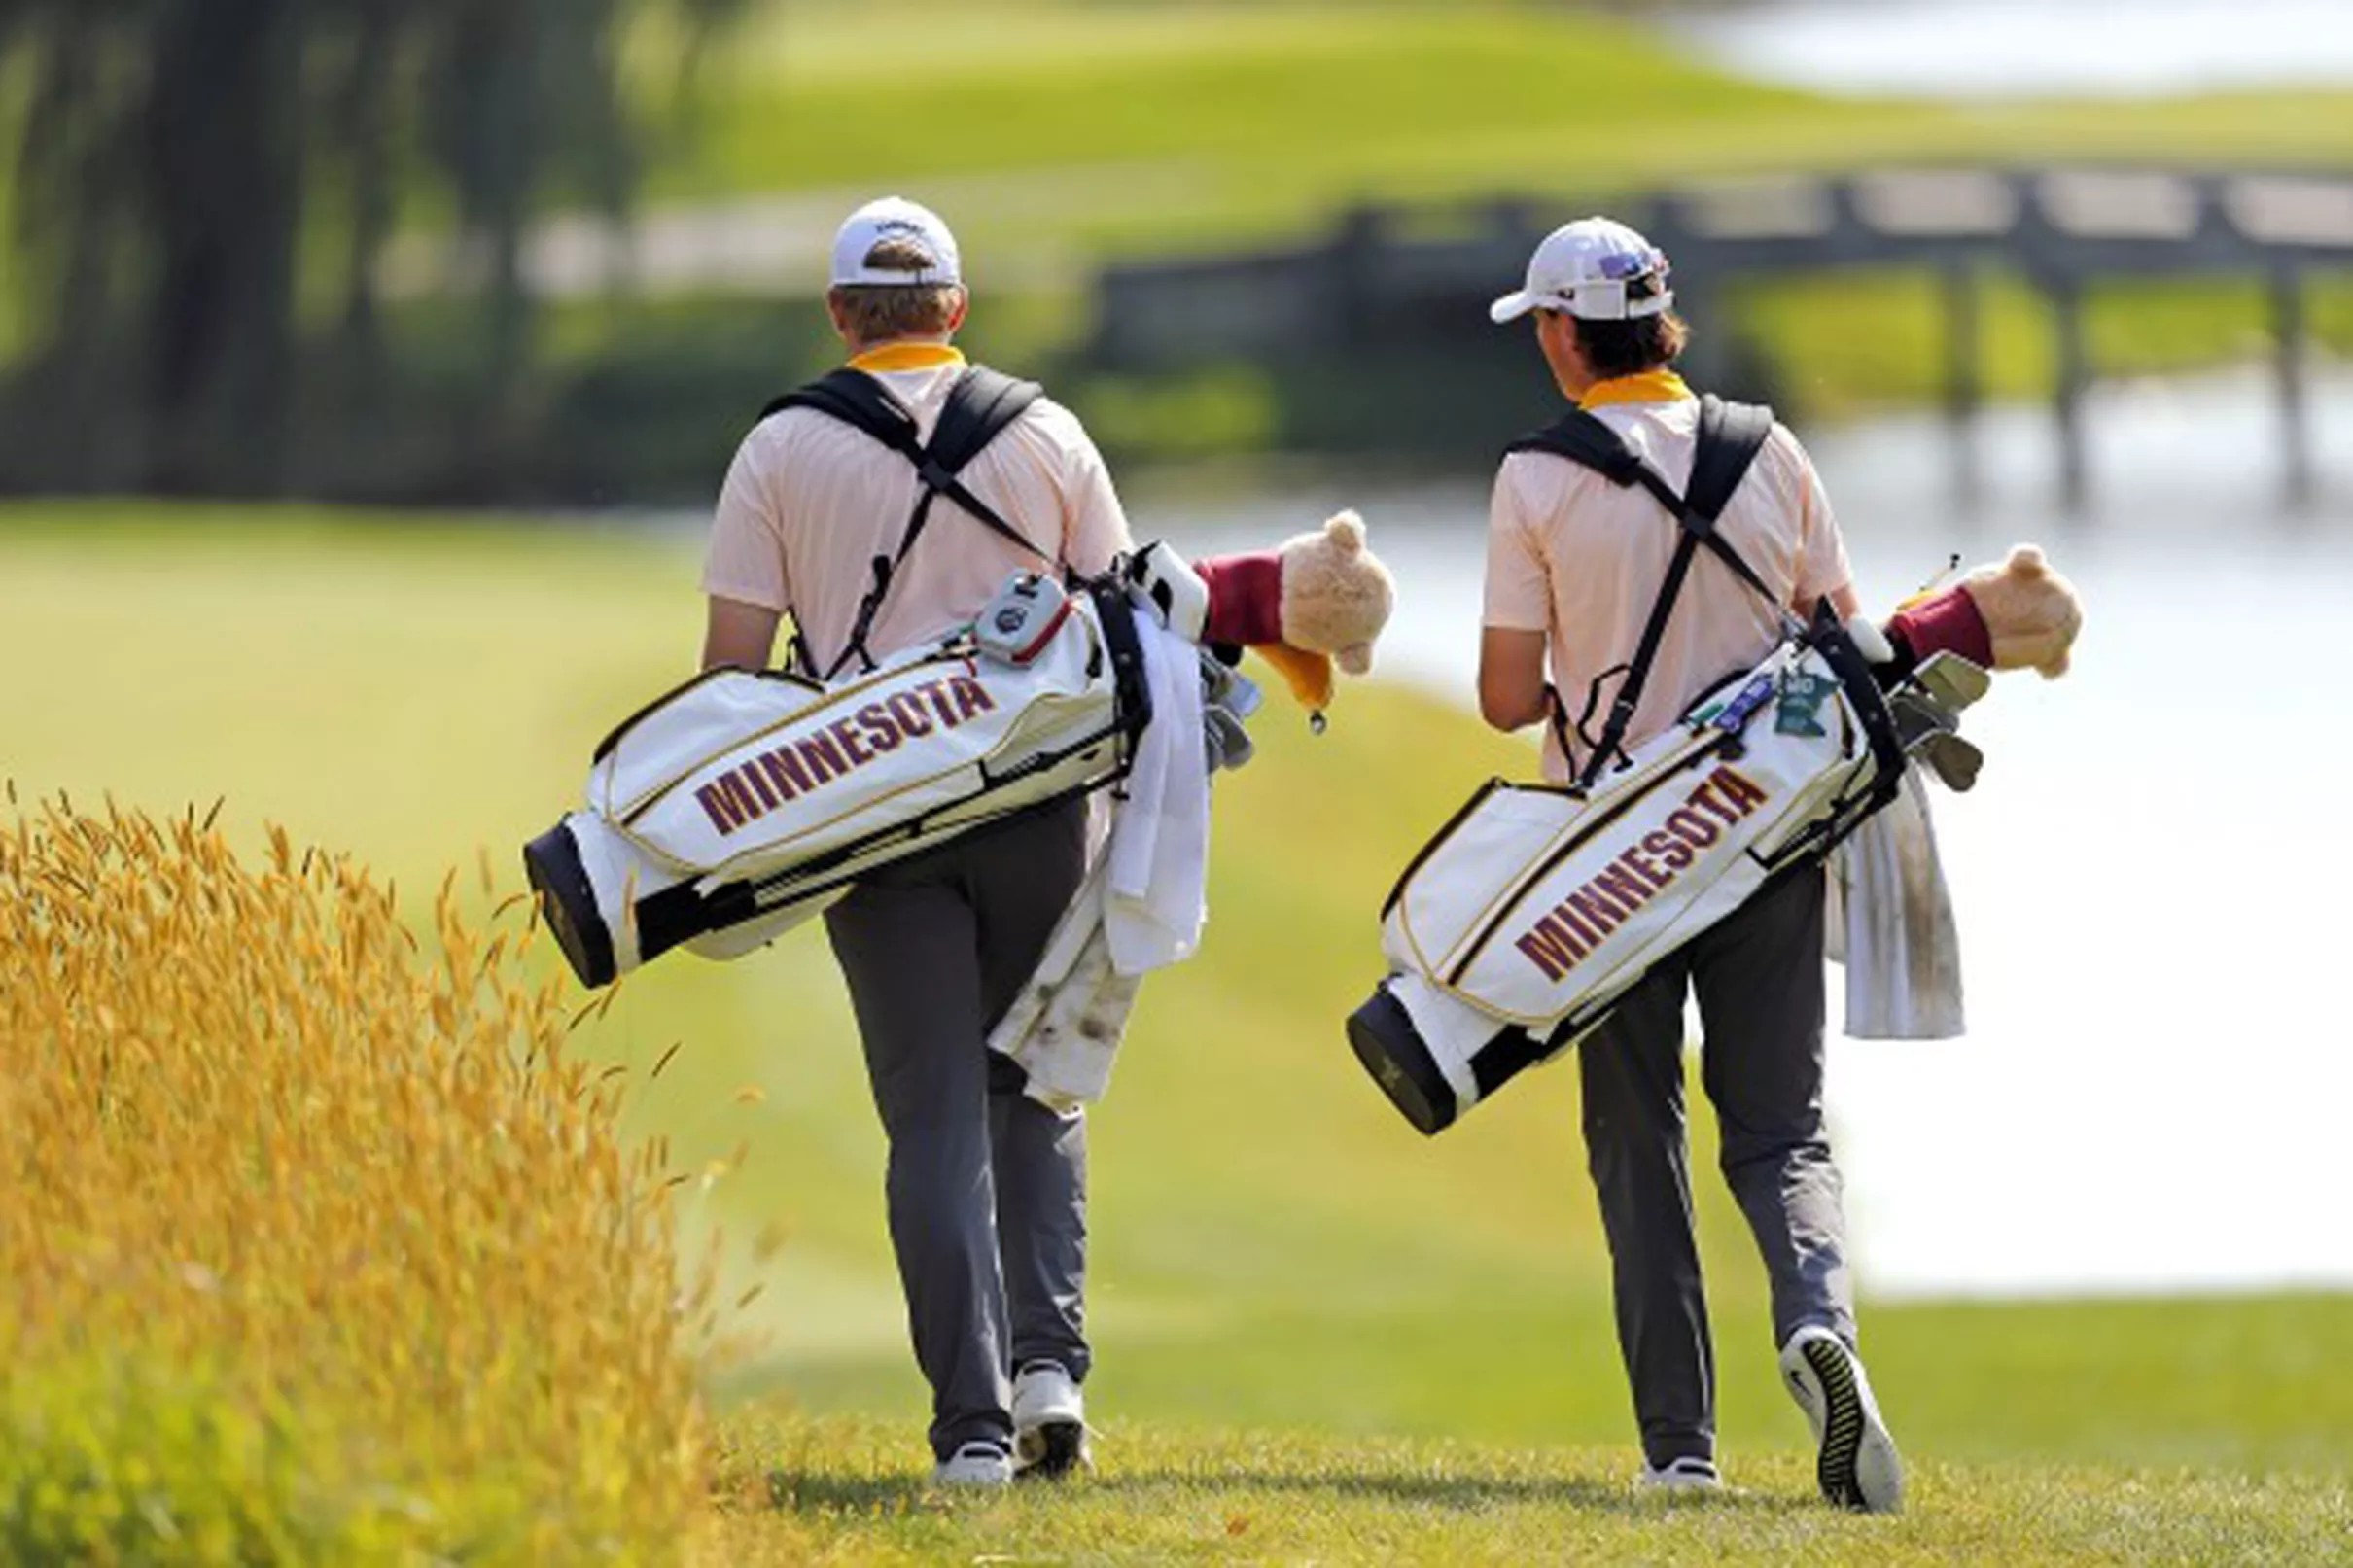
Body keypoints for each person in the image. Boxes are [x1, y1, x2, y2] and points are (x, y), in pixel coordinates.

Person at [699, 196, 1131, 1489]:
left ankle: (976, 1432)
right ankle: (1051, 1363)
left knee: (933, 1114)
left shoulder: (781, 446)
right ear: (956, 307)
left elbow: (727, 673)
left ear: (840, 316)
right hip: (1040, 805)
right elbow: (1122, 626)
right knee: (1036, 1076)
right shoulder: (1047, 430)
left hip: (872, 817)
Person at [1476, 216, 1904, 1511]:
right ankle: (1816, 1313)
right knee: (1781, 1128)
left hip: (1612, 859)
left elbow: (1503, 697)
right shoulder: (1770, 446)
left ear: (1564, 333)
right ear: (1659, 322)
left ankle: (1682, 1448)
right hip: (1766, 832)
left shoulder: (1535, 475)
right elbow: (1844, 633)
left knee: (1637, 1137)